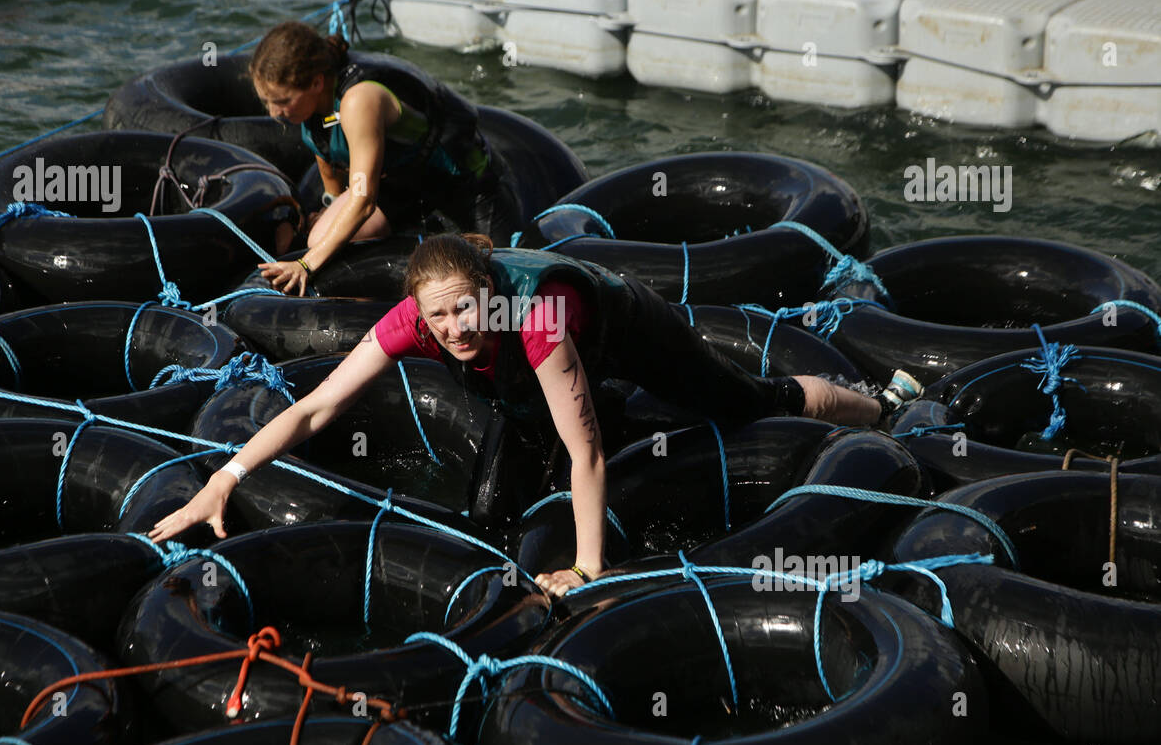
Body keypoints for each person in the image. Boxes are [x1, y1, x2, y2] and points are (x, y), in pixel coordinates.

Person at [150, 234, 920, 597]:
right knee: (490, 515)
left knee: (745, 404)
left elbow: (584, 456)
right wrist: (225, 477)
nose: (452, 328)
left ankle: (881, 404)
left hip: (627, 327)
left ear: (488, 293)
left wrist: (589, 571)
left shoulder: (536, 319)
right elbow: (317, 408)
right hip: (530, 381)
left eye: (463, 310)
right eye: (437, 317)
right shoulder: (413, 324)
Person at [248, 21, 513, 296]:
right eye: (266, 102)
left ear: (316, 82)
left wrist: (305, 264)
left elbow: (362, 200)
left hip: (465, 187)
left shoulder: (359, 100)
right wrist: (331, 202)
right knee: (318, 237)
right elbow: (325, 152)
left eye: (280, 101)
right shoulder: (313, 105)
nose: (273, 113)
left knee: (496, 288)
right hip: (404, 183)